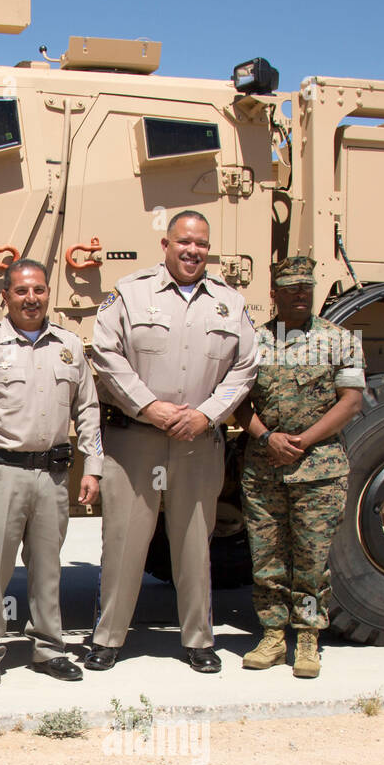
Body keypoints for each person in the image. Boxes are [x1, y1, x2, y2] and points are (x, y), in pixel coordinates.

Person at [87, 210, 258, 673]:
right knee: (124, 541)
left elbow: (245, 368)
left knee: (194, 543)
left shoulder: (229, 303)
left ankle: (199, 639)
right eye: (184, 241)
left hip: (197, 442)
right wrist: (149, 407)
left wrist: (206, 415)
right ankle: (107, 638)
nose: (193, 251)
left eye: (201, 244)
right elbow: (106, 354)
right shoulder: (130, 292)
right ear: (166, 244)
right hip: (136, 438)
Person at [0, 259, 102, 684]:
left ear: (48, 293)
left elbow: (88, 409)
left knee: (48, 568)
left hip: (52, 475)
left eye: (38, 290)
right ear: (6, 296)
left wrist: (93, 466)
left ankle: (49, 648)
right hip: (1, 472)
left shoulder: (70, 346)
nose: (31, 299)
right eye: (21, 291)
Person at [236, 256, 364, 678]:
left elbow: (351, 401)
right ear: (273, 294)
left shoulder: (340, 340)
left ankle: (307, 639)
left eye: (305, 288)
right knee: (267, 558)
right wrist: (266, 437)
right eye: (289, 289)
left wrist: (304, 441)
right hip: (264, 467)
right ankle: (273, 636)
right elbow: (237, 403)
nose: (298, 295)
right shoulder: (253, 342)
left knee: (311, 561)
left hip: (319, 470)